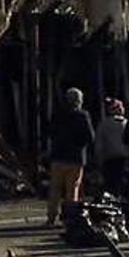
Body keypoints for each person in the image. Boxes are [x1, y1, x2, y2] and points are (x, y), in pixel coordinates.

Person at [46, 88, 96, 226]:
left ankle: (51, 217)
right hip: (76, 157)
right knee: (72, 189)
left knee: (55, 188)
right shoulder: (83, 115)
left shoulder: (58, 114)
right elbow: (90, 137)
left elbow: (50, 132)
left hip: (58, 156)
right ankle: (70, 218)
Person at [94, 98, 129, 199]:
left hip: (109, 159)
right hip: (126, 160)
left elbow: (99, 145)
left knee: (110, 188)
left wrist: (99, 161)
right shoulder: (127, 124)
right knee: (124, 188)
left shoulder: (104, 124)